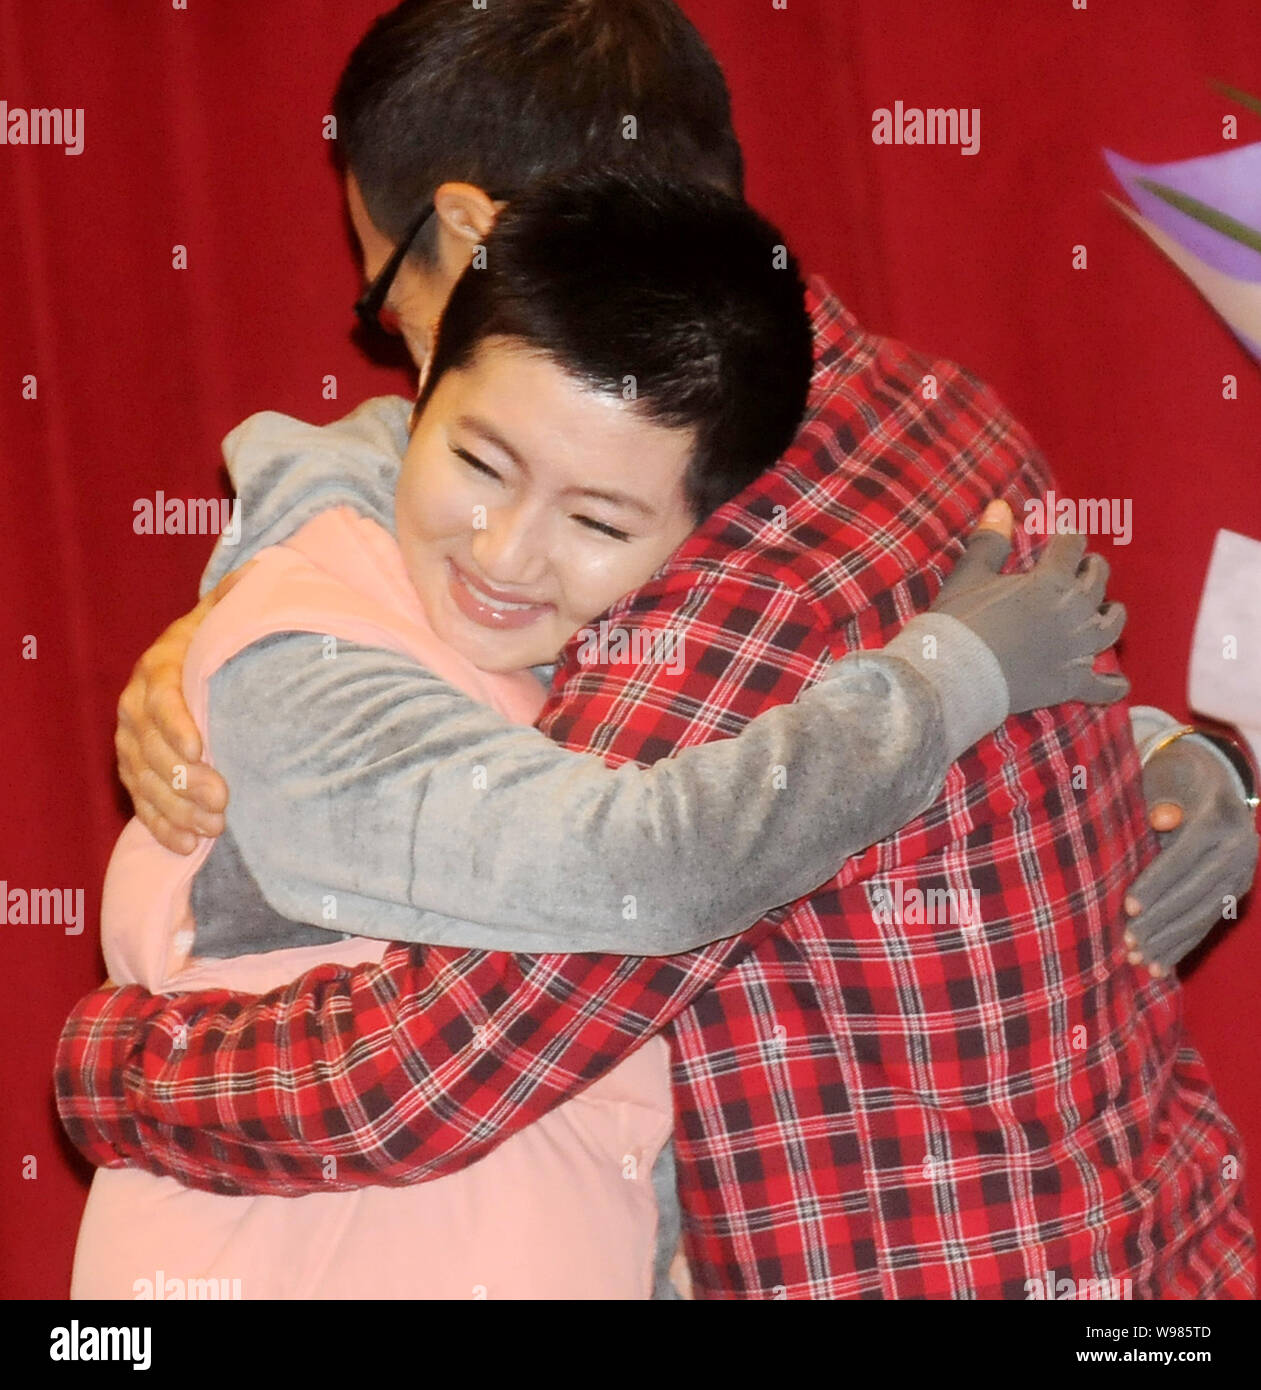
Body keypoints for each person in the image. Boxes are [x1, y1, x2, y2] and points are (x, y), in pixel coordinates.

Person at [60, 0, 1257, 1298]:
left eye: (378, 288)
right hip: (1156, 1231)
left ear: (467, 238)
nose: (396, 352)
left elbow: (419, 1076)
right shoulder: (936, 411)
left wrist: (107, 1065)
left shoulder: (708, 574)